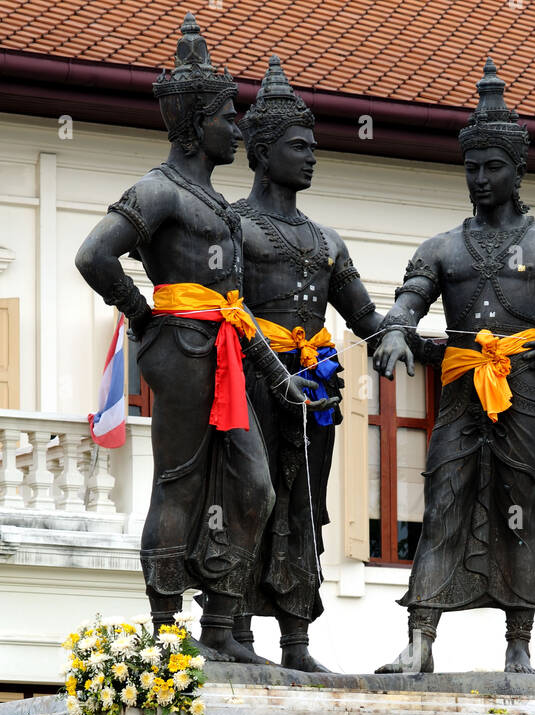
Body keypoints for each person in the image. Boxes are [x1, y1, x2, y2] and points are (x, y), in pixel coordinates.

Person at [74, 17, 332, 658]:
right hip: (182, 348)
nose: (236, 129)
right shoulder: (158, 192)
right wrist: (143, 314)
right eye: (226, 116)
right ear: (195, 127)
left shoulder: (216, 204)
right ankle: (167, 631)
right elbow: (94, 256)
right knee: (180, 481)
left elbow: (236, 310)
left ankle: (221, 627)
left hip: (224, 347)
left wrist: (280, 378)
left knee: (252, 487)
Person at [375, 59, 535, 675]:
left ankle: (519, 642)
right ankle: (421, 639)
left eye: (493, 168)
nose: (480, 180)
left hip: (524, 387)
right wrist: (400, 332)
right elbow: (409, 300)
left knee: (519, 503)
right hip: (461, 384)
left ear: (518, 170)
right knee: (444, 498)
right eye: (472, 169)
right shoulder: (441, 248)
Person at [229, 57, 387, 671]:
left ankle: (296, 641)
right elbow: (229, 308)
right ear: (264, 153)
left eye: (314, 147)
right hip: (251, 380)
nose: (312, 156)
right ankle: (235, 630)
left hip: (316, 387)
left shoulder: (328, 241)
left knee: (305, 505)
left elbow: (366, 317)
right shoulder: (236, 226)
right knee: (251, 496)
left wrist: (411, 339)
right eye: (300, 147)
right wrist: (274, 371)